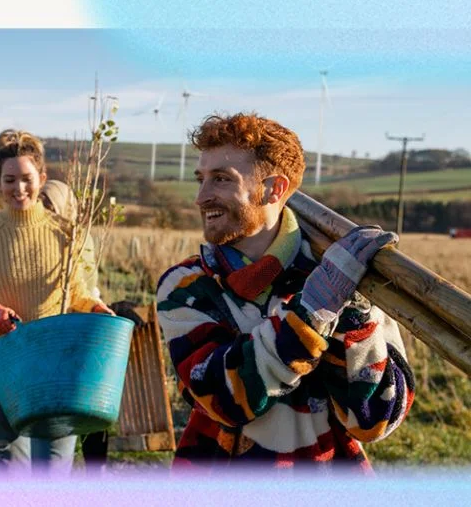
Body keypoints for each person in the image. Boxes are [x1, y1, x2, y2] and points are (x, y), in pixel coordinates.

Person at [156, 112, 414, 472]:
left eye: (221, 179)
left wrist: (354, 310)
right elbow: (226, 399)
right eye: (201, 179)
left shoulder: (343, 275)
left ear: (274, 189)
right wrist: (311, 314)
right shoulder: (186, 285)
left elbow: (374, 419)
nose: (201, 197)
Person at [0, 130, 114, 474]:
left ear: (41, 178)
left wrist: (94, 310)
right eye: (9, 180)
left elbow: (78, 296)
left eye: (26, 179)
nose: (19, 188)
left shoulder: (67, 233)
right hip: (2, 365)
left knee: (52, 473)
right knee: (10, 469)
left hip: (57, 367)